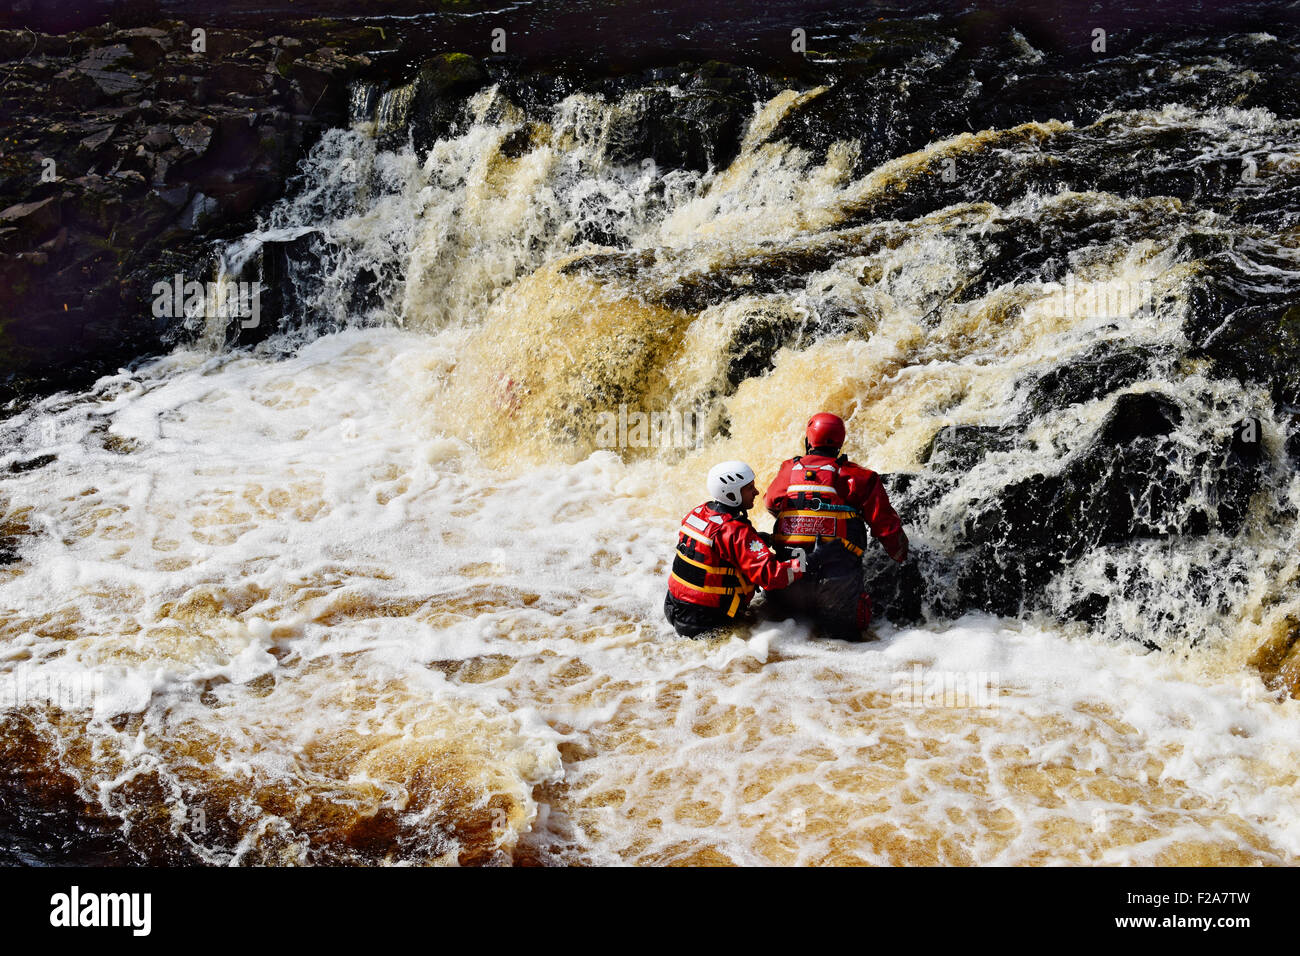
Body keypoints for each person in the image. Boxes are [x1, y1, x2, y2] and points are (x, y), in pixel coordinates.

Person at [763, 412, 908, 641]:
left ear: (808, 441)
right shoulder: (859, 477)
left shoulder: (788, 470)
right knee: (845, 645)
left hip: (788, 580)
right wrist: (903, 556)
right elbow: (886, 527)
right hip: (836, 585)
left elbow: (771, 503)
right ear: (840, 443)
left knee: (778, 641)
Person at [664, 460, 808, 638]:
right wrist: (804, 563)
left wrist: (758, 539)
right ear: (731, 495)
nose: (756, 492)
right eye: (749, 488)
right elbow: (771, 576)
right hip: (705, 621)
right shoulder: (736, 532)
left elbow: (714, 546)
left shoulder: (698, 512)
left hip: (674, 607)